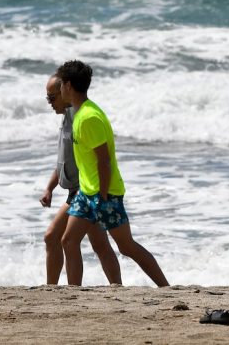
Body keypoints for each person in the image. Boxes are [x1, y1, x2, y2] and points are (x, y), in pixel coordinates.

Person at [56, 60, 169, 287]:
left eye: (60, 85)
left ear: (68, 85)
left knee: (126, 246)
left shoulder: (89, 117)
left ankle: (166, 288)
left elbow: (104, 160)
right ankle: (73, 294)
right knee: (68, 241)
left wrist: (104, 194)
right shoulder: (79, 113)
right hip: (87, 193)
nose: (58, 90)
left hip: (103, 193)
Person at [39, 75, 122, 285]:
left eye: (52, 98)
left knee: (56, 237)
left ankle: (61, 290)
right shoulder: (68, 118)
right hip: (80, 191)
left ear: (66, 91)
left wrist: (100, 193)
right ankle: (116, 287)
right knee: (100, 245)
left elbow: (100, 159)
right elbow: (64, 161)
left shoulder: (80, 116)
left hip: (84, 191)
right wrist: (50, 187)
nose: (50, 103)